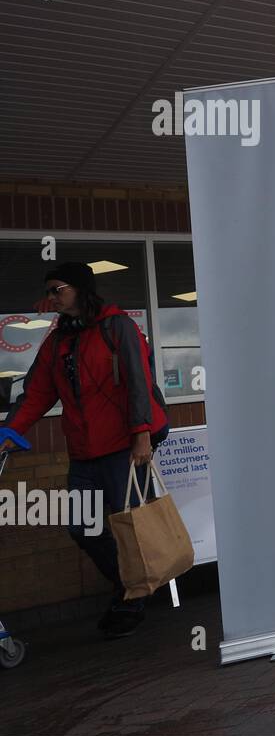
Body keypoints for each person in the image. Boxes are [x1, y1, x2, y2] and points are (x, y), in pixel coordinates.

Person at [1, 263, 169, 638]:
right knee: (83, 527)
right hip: (83, 452)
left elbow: (138, 379)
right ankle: (128, 585)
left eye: (57, 289)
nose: (52, 297)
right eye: (49, 292)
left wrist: (141, 433)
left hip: (123, 447)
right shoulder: (59, 341)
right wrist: (11, 431)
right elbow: (38, 393)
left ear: (80, 289)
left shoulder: (117, 327)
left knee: (133, 526)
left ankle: (134, 598)